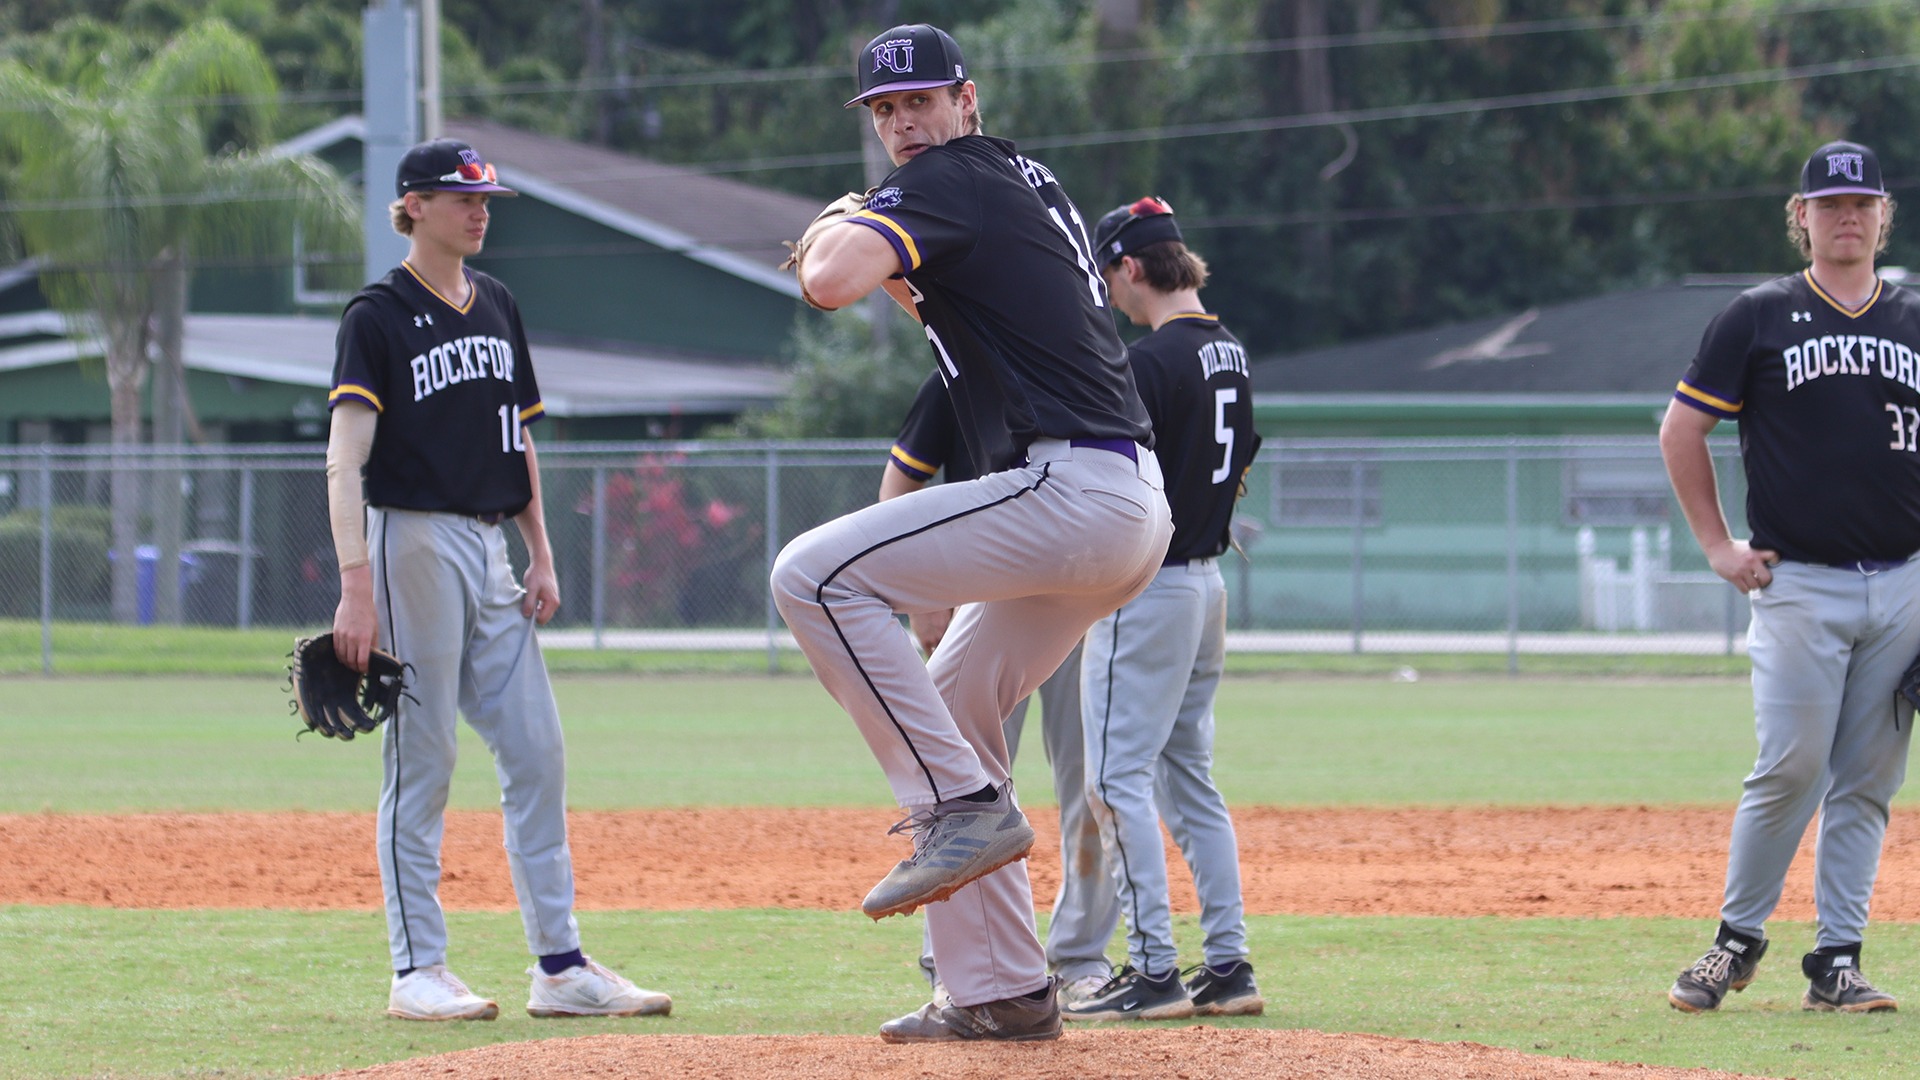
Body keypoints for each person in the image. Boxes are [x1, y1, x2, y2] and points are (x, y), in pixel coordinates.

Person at [771, 23, 1172, 1043]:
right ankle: (1004, 991)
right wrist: (872, 240)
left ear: (967, 100)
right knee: (953, 698)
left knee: (811, 576)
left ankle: (960, 806)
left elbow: (829, 280)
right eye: (885, 109)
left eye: (922, 99)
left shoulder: (950, 177)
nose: (905, 122)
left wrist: (837, 217)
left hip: (1071, 490)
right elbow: (938, 299)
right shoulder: (1014, 182)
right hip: (1121, 503)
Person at [327, 138, 670, 1022]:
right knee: (424, 753)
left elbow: (516, 440)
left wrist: (539, 548)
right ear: (413, 206)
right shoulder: (377, 315)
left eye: (486, 199)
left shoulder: (498, 304)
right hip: (410, 541)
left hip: (490, 550)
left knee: (537, 751)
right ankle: (416, 970)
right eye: (461, 197)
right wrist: (355, 585)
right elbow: (344, 460)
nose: (480, 211)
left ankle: (560, 968)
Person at [1661, 140, 1920, 1015]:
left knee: (1868, 782)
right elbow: (1681, 430)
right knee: (1790, 766)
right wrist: (1716, 545)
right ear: (1801, 217)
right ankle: (1736, 940)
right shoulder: (1760, 316)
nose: (1848, 217)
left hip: (1905, 584)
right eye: (1830, 204)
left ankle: (1837, 961)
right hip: (1799, 583)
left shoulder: (1915, 317)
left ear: (1884, 216)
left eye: (1863, 204)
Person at [1061, 199, 1264, 1022]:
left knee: (1115, 782)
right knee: (1189, 778)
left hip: (1148, 588)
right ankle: (1229, 965)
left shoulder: (1147, 361)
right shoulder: (1230, 350)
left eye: (1110, 273)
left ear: (1132, 267)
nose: (1110, 292)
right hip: (1207, 583)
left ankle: (1152, 971)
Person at [883, 372, 1124, 1008]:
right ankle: (953, 966)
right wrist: (919, 599)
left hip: (1074, 597)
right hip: (980, 600)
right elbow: (900, 480)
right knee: (960, 784)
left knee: (1090, 780)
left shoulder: (1080, 367)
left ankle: (1081, 954)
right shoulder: (959, 370)